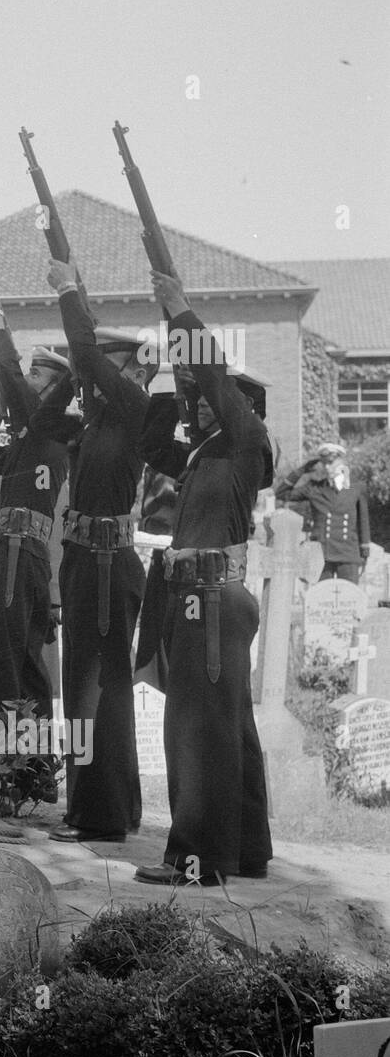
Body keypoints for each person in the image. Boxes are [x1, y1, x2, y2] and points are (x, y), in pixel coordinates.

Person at [135, 270, 273, 885]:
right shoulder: (201, 458)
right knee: (228, 728)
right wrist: (173, 378)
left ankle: (198, 861)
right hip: (204, 597)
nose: (196, 403)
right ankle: (245, 852)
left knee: (198, 732)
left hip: (212, 600)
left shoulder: (246, 444)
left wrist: (182, 315)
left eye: (203, 399)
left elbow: (217, 378)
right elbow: (147, 437)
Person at [47, 259, 156, 844]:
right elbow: (43, 409)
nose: (90, 378)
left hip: (108, 564)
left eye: (102, 370)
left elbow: (84, 355)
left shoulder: (136, 408)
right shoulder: (97, 424)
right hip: (89, 562)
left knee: (96, 692)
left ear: (125, 371)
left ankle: (100, 816)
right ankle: (116, 807)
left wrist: (69, 289)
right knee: (92, 690)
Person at [0, 284, 76, 728]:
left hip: (15, 551)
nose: (23, 383)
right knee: (22, 662)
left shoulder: (49, 433)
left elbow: (7, 370)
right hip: (18, 552)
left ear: (49, 393)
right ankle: (32, 767)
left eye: (34, 378)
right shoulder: (32, 443)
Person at [277, 442, 369, 583]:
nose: (327, 467)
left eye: (331, 462)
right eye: (324, 463)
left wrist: (365, 551)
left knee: (350, 599)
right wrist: (301, 471)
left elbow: (363, 521)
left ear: (341, 461)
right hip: (321, 553)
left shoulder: (356, 488)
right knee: (319, 599)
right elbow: (282, 493)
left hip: (348, 553)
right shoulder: (315, 488)